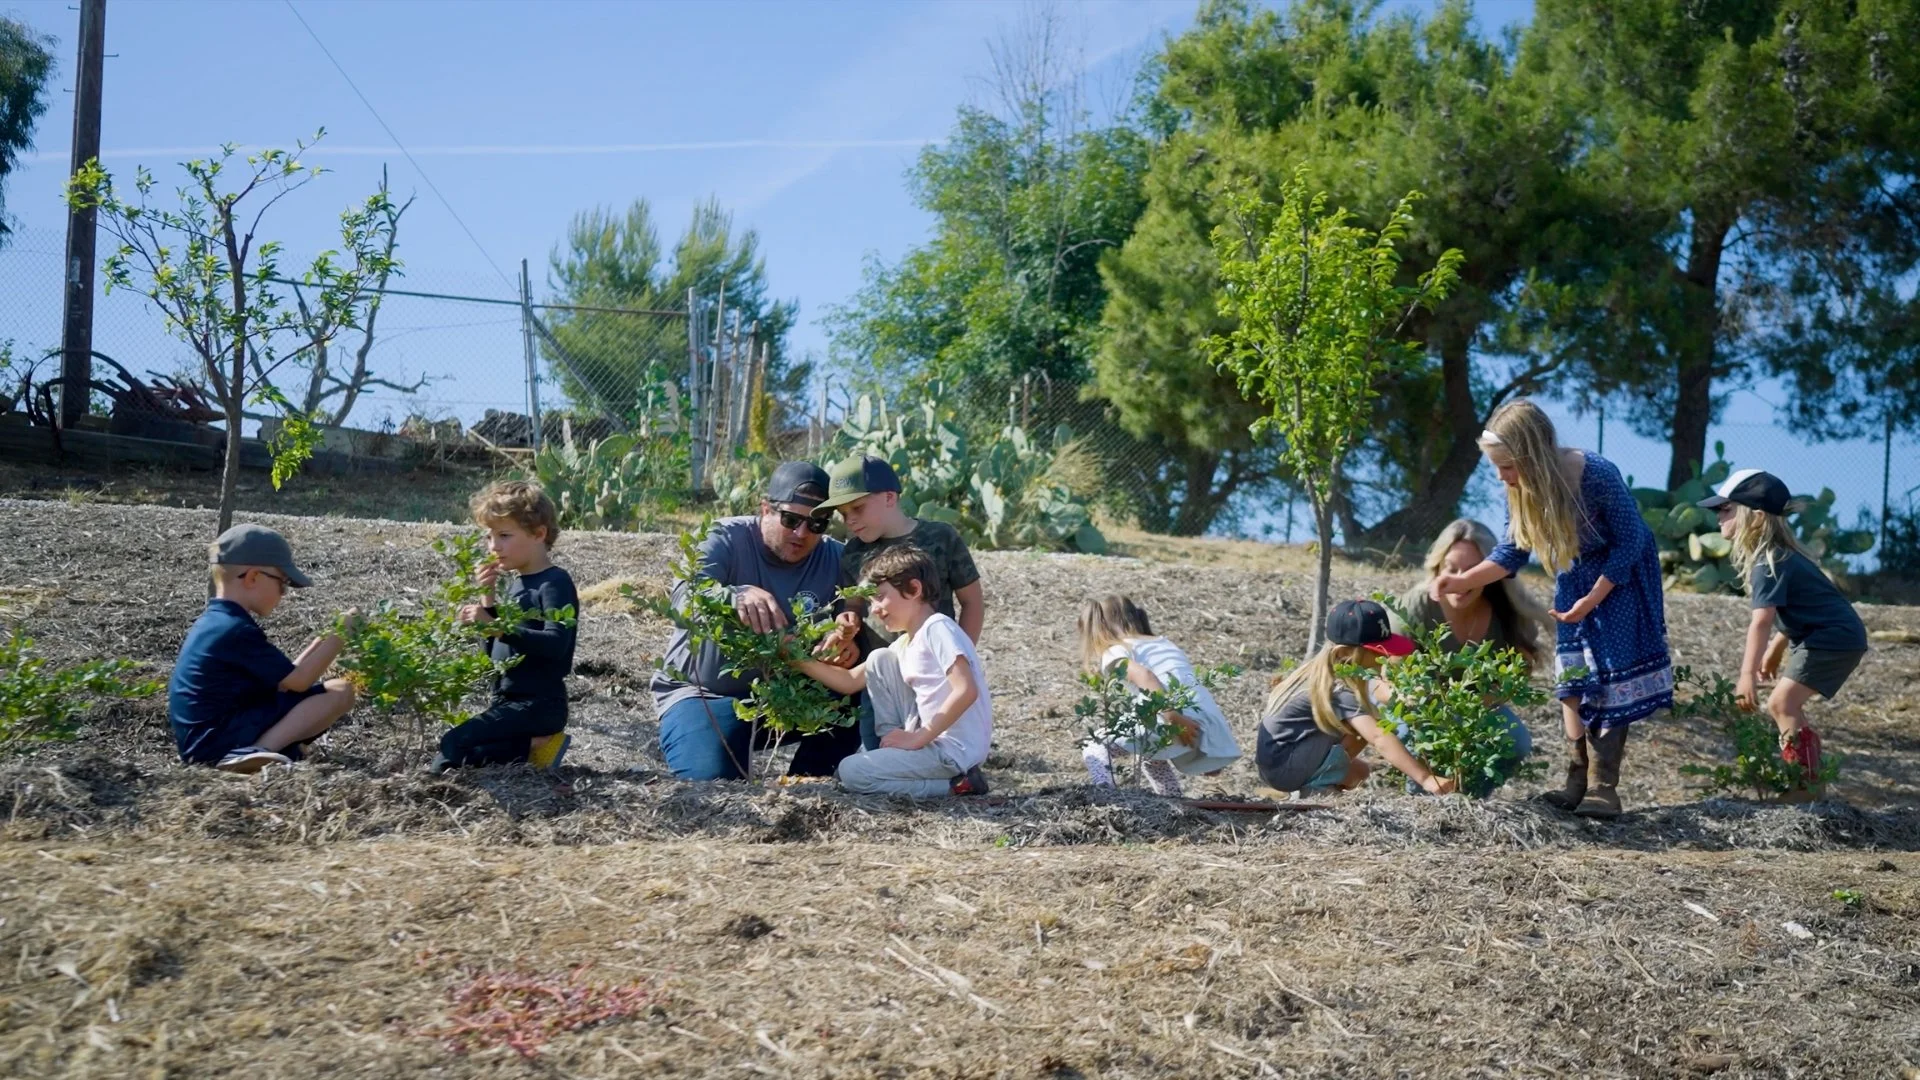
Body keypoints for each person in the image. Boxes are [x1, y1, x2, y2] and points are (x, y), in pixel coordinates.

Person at [1433, 399, 1672, 819]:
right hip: (1574, 573)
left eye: (1507, 466)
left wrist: (1594, 597)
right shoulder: (1520, 492)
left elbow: (1631, 540)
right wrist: (1462, 580)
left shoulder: (1596, 474)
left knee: (1608, 675)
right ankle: (1575, 779)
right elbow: (1510, 552)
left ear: (1533, 456)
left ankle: (1604, 786)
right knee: (1572, 677)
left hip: (1620, 576)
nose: (1501, 477)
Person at [652, 462, 864, 780]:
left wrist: (849, 644)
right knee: (715, 787)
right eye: (791, 519)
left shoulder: (839, 558)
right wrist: (733, 595)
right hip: (706, 694)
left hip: (791, 694)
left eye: (817, 524)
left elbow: (864, 615)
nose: (801, 533)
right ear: (765, 508)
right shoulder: (721, 538)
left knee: (867, 695)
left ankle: (807, 786)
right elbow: (685, 602)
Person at [1701, 468, 1867, 791]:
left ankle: (1802, 789)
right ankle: (1810, 786)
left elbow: (1761, 621)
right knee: (1786, 705)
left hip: (1833, 637)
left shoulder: (1769, 562)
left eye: (1726, 509)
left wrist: (1746, 675)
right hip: (1826, 635)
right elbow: (1802, 609)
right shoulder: (1778, 557)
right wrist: (1776, 649)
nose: (1718, 516)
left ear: (1758, 517)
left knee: (1781, 704)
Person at [813, 454, 986, 750]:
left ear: (890, 497)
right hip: (880, 678)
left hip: (934, 677)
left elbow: (972, 602)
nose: (850, 519)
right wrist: (846, 622)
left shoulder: (940, 537)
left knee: (942, 745)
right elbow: (852, 605)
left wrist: (957, 659)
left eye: (857, 507)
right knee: (881, 751)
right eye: (843, 513)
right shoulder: (853, 551)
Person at [792, 546, 992, 798]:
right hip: (929, 743)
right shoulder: (907, 641)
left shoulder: (938, 627)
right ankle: (891, 753)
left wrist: (918, 737)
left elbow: (966, 690)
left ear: (914, 589)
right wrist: (795, 659)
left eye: (879, 596)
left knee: (851, 772)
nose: (873, 609)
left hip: (952, 752)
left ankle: (955, 787)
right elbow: (850, 681)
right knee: (879, 658)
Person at [169, 524, 358, 774]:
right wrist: (343, 633)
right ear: (253, 577)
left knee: (319, 698)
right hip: (217, 741)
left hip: (205, 741)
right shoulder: (235, 630)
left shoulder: (216, 622)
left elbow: (282, 683)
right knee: (341, 691)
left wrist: (318, 646)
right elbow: (299, 682)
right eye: (282, 582)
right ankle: (253, 754)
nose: (284, 593)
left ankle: (265, 752)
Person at [1388, 518, 1550, 791]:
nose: (1460, 581)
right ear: (1437, 567)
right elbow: (1393, 677)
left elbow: (1518, 674)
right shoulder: (1415, 608)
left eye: (1473, 571)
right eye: (1451, 569)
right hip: (1419, 708)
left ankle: (1468, 804)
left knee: (1515, 741)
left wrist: (1471, 711)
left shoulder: (1507, 613)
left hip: (1476, 708)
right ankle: (1418, 803)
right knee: (1415, 734)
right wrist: (1435, 709)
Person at [431, 481, 579, 773]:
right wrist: (487, 598)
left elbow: (556, 644)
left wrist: (497, 624)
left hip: (538, 705)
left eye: (504, 535)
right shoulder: (516, 585)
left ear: (539, 534)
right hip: (506, 701)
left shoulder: (555, 583)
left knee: (452, 749)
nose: (493, 546)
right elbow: (495, 656)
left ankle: (538, 744)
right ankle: (533, 747)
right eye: (489, 536)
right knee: (448, 757)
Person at [1257, 599, 1457, 798]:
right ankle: (1315, 789)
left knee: (1359, 774)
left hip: (1278, 765)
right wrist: (1425, 778)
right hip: (1284, 769)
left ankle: (1317, 784)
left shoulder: (1318, 674)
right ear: (1345, 653)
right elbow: (1378, 738)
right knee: (1367, 727)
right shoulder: (1337, 689)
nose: (1385, 657)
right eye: (1377, 652)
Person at [1075, 595, 1240, 797]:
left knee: (1095, 744)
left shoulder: (1116, 650)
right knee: (1152, 756)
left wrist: (1172, 717)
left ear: (1097, 628)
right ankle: (1171, 799)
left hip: (1172, 717)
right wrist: (1206, 747)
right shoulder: (1164, 644)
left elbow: (1145, 676)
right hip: (1204, 722)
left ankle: (1106, 794)